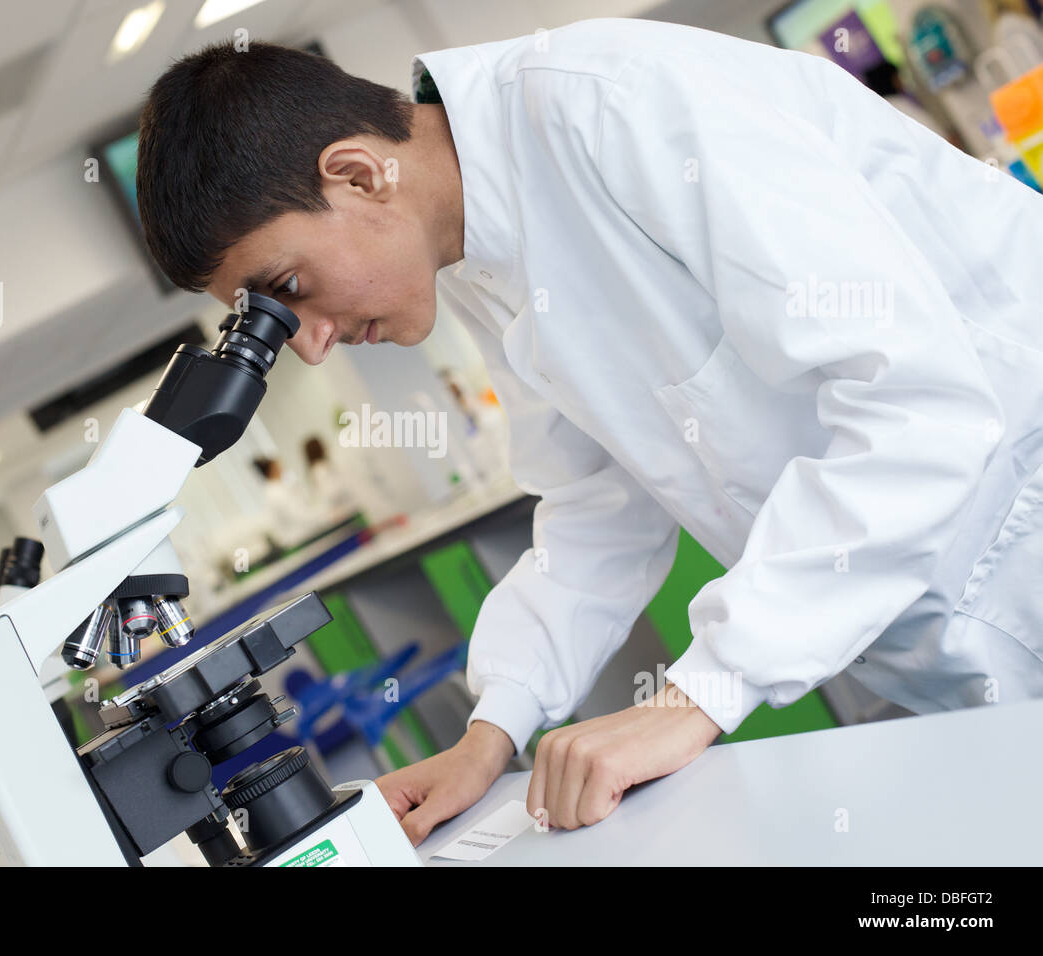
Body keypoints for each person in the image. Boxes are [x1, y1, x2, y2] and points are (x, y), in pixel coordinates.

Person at [134, 19, 1043, 843]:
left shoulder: (617, 108)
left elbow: (921, 404)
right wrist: (495, 729)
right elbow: (597, 500)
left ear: (360, 174)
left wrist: (697, 696)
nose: (315, 342)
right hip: (958, 640)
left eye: (289, 287)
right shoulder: (479, 248)